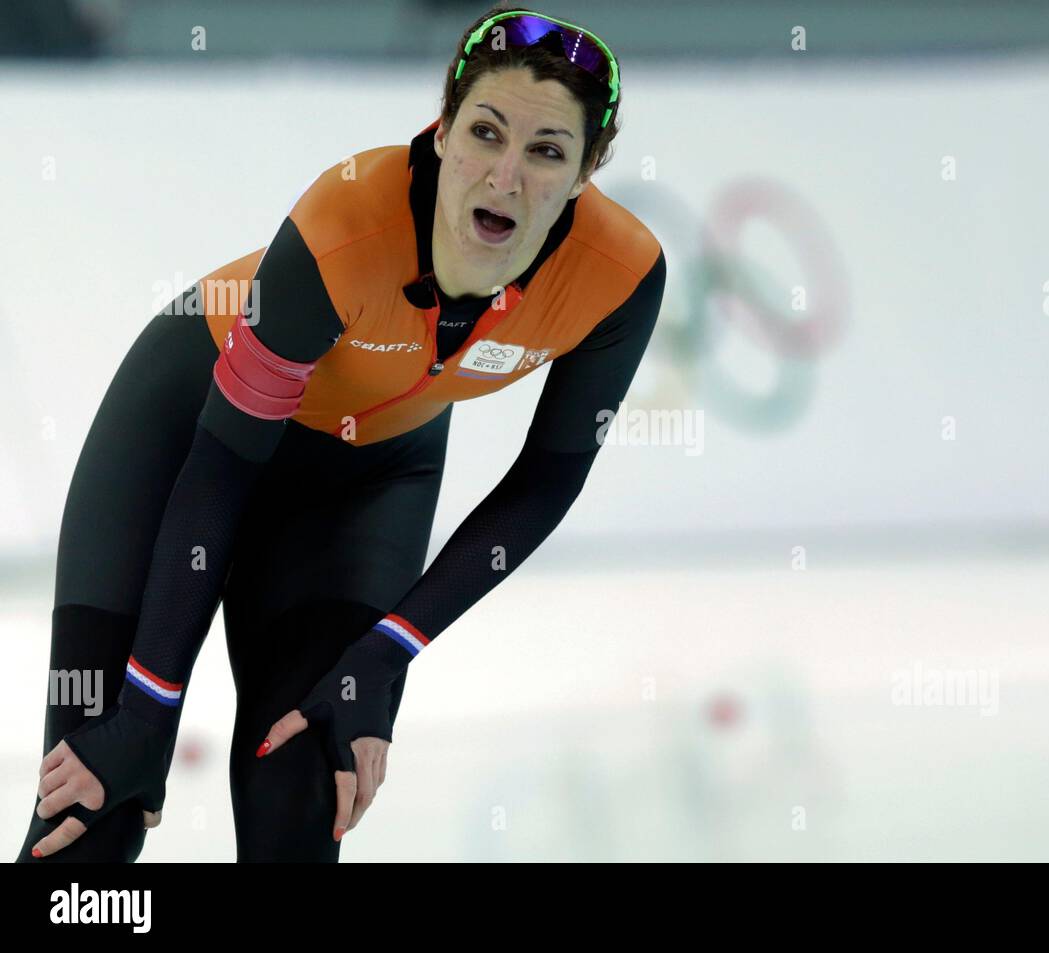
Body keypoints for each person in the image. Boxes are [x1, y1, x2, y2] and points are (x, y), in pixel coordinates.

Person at [17, 4, 666, 863]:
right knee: (87, 833)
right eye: (486, 132)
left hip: (365, 486)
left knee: (300, 802)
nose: (506, 176)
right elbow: (220, 472)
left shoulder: (620, 277)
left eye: (547, 151)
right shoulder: (346, 221)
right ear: (442, 128)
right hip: (186, 436)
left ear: (589, 169)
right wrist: (145, 708)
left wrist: (387, 652)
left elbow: (547, 479)